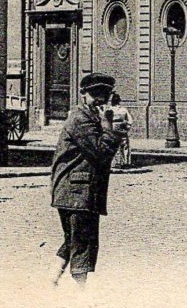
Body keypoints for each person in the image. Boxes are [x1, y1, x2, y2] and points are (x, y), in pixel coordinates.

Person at [49, 71, 129, 285]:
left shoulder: (91, 116)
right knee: (83, 241)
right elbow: (100, 152)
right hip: (76, 189)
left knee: (74, 239)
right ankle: (82, 294)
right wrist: (112, 130)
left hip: (79, 188)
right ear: (83, 94)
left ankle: (50, 279)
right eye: (95, 94)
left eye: (105, 94)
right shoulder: (81, 118)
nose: (101, 99)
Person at [105, 92, 133, 171]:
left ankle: (115, 163)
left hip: (112, 130)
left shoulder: (109, 110)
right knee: (124, 146)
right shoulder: (123, 110)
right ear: (119, 101)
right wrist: (127, 127)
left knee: (113, 146)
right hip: (122, 130)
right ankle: (125, 163)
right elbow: (130, 120)